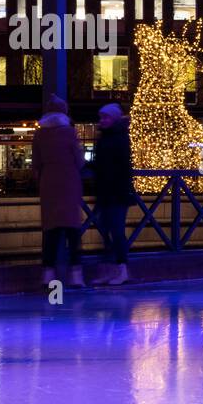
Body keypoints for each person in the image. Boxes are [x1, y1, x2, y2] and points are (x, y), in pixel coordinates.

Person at [31, 95, 85, 289]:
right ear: (64, 112)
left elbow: (36, 163)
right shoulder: (69, 132)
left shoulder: (39, 134)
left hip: (48, 185)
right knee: (72, 230)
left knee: (51, 231)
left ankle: (48, 274)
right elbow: (79, 160)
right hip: (69, 183)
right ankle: (76, 274)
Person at [89, 102, 134, 286]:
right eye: (101, 117)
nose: (102, 120)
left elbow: (122, 167)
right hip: (106, 192)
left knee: (116, 232)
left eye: (106, 117)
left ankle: (122, 270)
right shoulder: (106, 137)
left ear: (114, 119)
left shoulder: (119, 138)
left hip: (115, 193)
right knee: (106, 232)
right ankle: (112, 270)